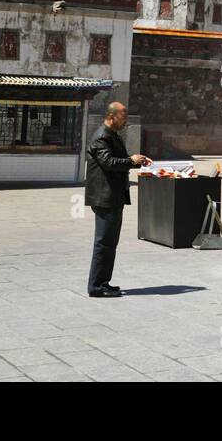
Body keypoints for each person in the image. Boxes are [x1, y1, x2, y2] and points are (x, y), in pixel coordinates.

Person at [84, 101, 150, 297]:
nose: (126, 122)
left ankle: (104, 282)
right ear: (112, 117)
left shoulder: (112, 136)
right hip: (105, 197)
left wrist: (137, 162)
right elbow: (108, 162)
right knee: (103, 242)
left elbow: (120, 161)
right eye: (123, 118)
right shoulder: (101, 137)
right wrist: (131, 161)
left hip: (113, 196)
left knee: (110, 243)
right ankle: (96, 286)